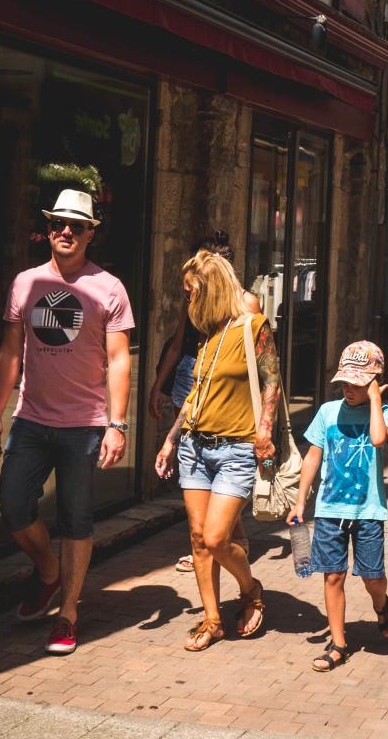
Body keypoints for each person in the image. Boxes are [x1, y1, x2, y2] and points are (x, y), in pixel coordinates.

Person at [0, 189, 134, 657]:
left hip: (85, 424)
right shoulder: (26, 282)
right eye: (58, 224)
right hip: (30, 418)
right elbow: (11, 349)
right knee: (12, 506)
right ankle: (48, 572)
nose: (66, 231)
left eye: (77, 225)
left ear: (92, 232)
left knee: (75, 519)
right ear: (48, 228)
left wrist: (117, 424)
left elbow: (118, 360)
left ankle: (68, 611)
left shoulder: (109, 288)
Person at [154, 250, 280, 650]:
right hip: (195, 447)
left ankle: (250, 589)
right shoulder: (208, 336)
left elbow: (272, 382)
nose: (188, 300)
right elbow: (195, 395)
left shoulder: (253, 327)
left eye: (192, 292)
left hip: (236, 450)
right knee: (196, 537)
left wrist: (264, 431)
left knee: (215, 538)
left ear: (212, 289)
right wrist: (171, 438)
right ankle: (212, 620)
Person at [148, 230, 260, 575]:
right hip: (193, 376)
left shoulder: (247, 304)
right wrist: (158, 384)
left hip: (228, 391)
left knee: (221, 471)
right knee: (194, 453)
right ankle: (209, 540)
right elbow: (182, 339)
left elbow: (258, 371)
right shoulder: (193, 296)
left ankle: (224, 538)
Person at [288, 342, 388, 672]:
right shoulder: (327, 412)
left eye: (359, 383)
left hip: (368, 511)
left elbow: (378, 439)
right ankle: (338, 644)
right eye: (345, 383)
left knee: (372, 578)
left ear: (373, 382)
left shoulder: (386, 412)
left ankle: (382, 604)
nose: (349, 389)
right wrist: (300, 500)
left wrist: (376, 399)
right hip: (329, 510)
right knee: (333, 576)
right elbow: (313, 456)